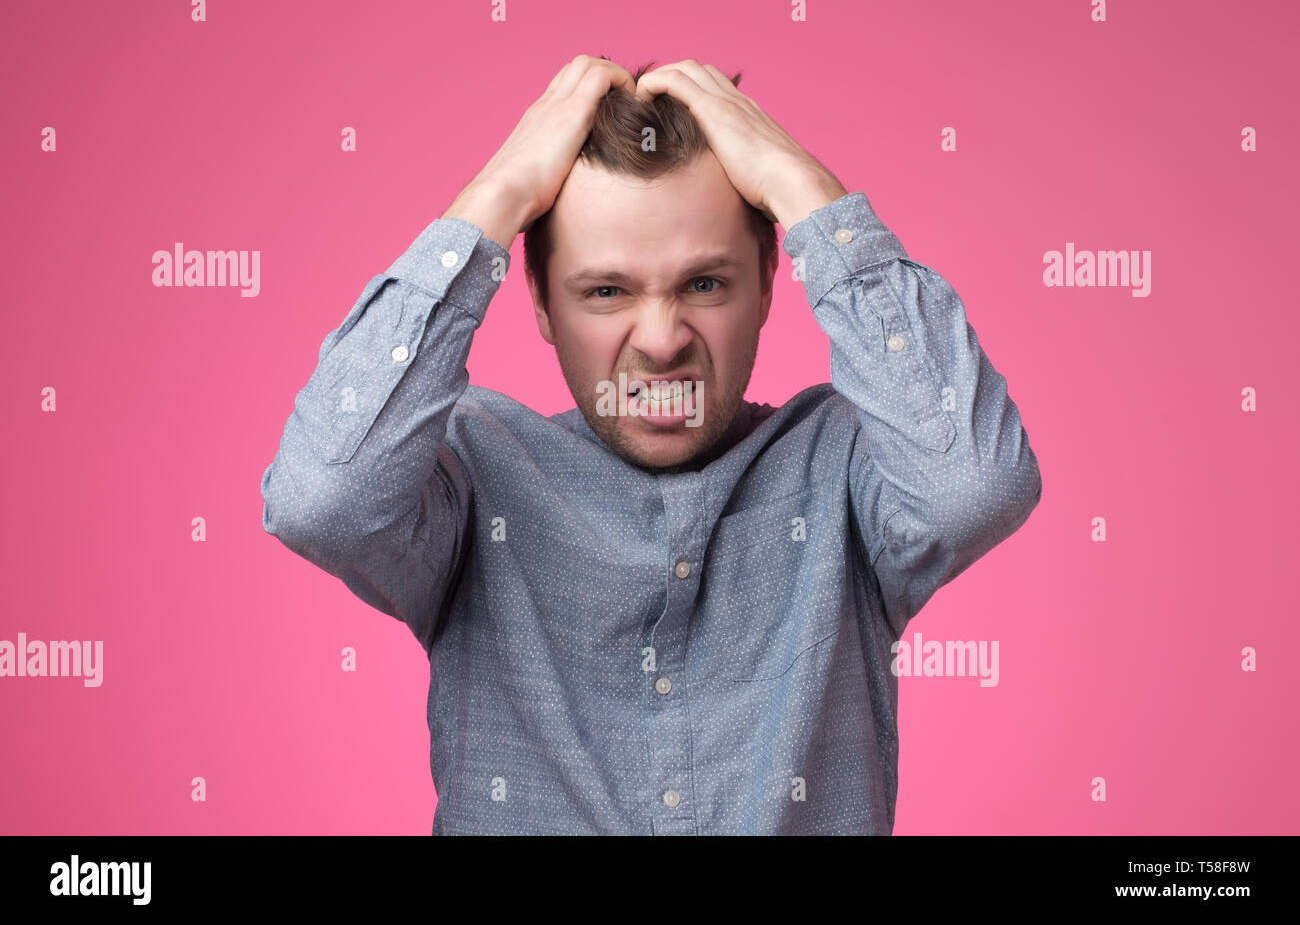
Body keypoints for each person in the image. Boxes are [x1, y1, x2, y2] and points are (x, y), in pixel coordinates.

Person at [259, 55, 1042, 834]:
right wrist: (492, 201)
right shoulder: (472, 474)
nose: (663, 342)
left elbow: (973, 486)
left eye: (705, 284)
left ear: (771, 281)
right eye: (607, 291)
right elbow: (323, 499)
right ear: (536, 298)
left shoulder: (846, 469)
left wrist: (808, 195)